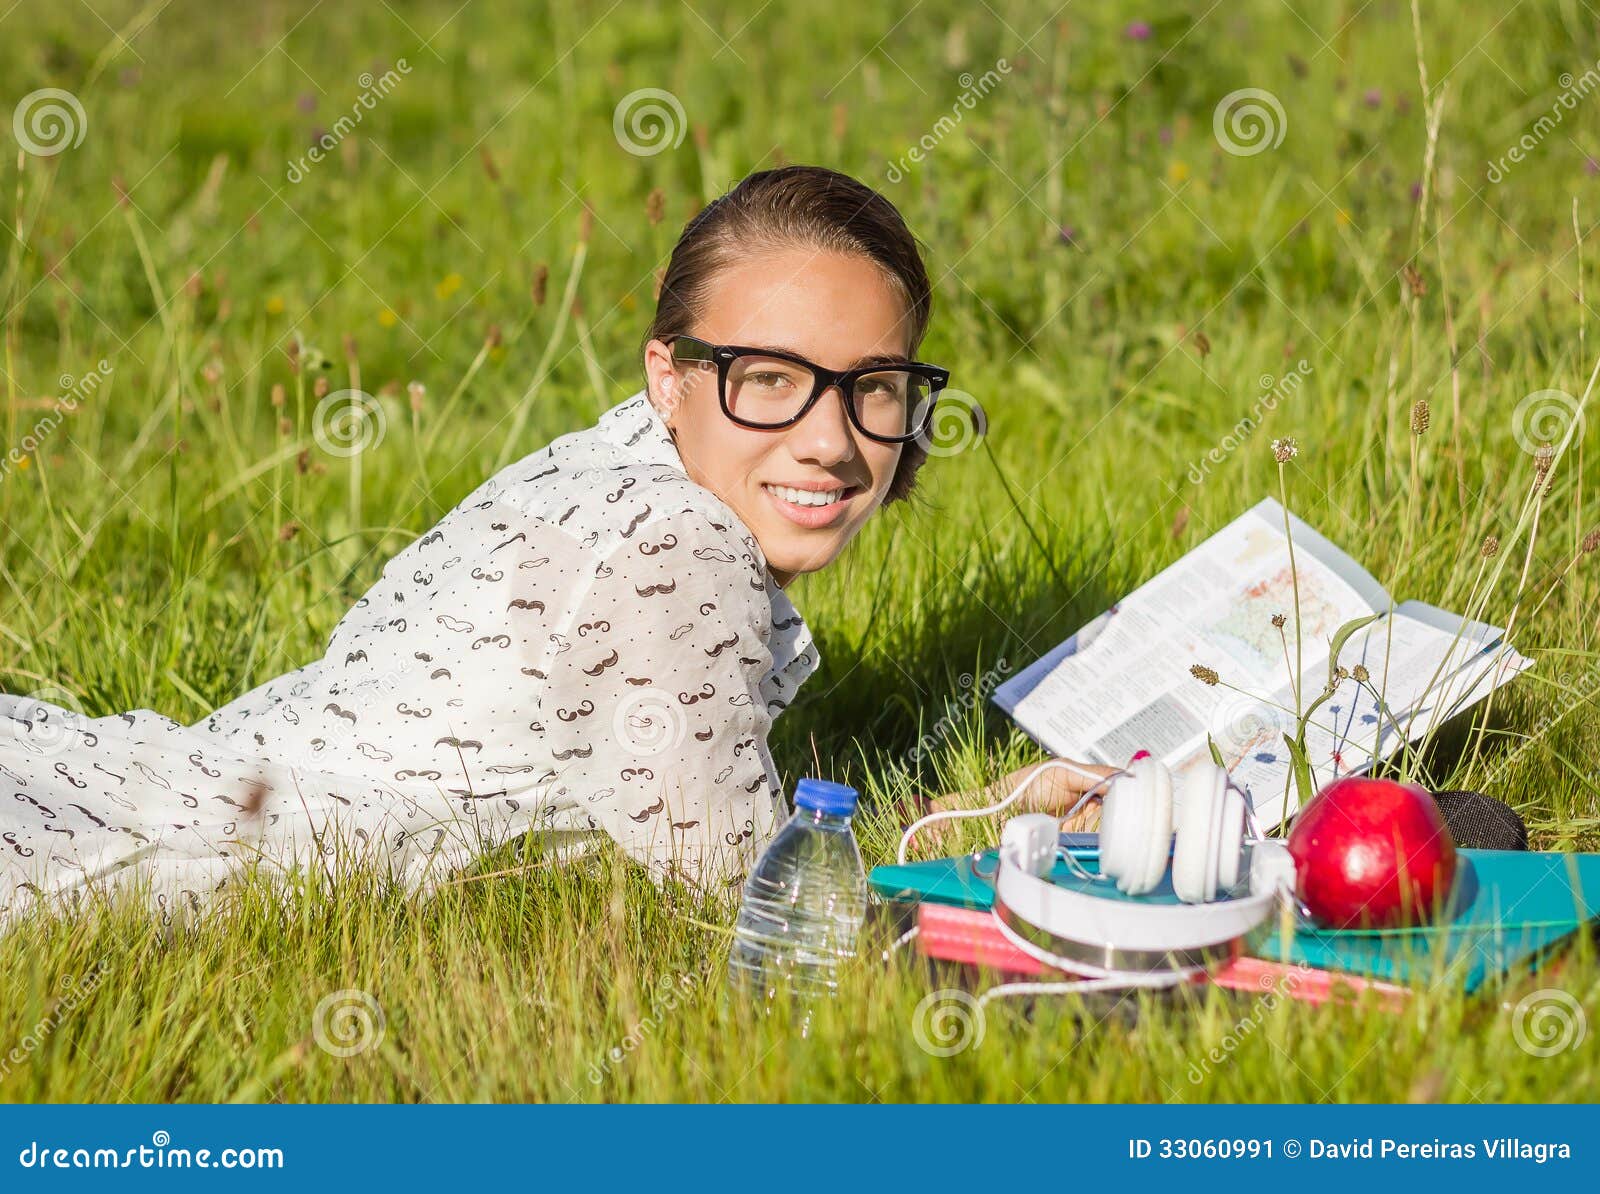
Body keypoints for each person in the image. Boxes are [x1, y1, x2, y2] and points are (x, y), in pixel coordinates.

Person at [0, 165, 1109, 927]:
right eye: (768, 379)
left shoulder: (618, 462)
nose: (827, 441)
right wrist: (1001, 822)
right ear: (668, 378)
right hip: (179, 865)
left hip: (184, 783)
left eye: (870, 388)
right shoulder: (673, 547)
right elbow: (754, 899)